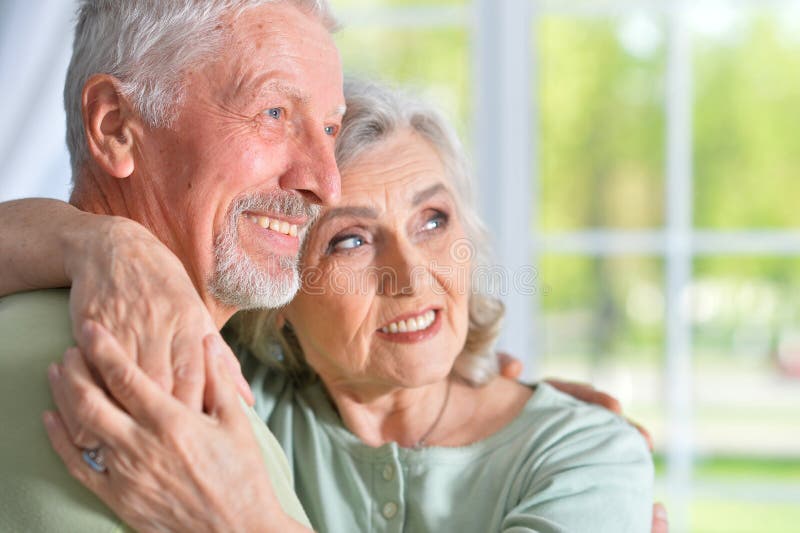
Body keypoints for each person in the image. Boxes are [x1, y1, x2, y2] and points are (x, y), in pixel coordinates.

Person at [3, 79, 655, 531]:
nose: (410, 274)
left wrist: (240, 520)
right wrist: (106, 245)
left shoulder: (587, 451)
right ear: (279, 291)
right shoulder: (243, 389)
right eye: (350, 239)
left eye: (433, 220)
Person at [0, 0, 345, 530]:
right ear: (116, 126)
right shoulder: (162, 402)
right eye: (273, 113)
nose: (325, 183)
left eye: (329, 130)